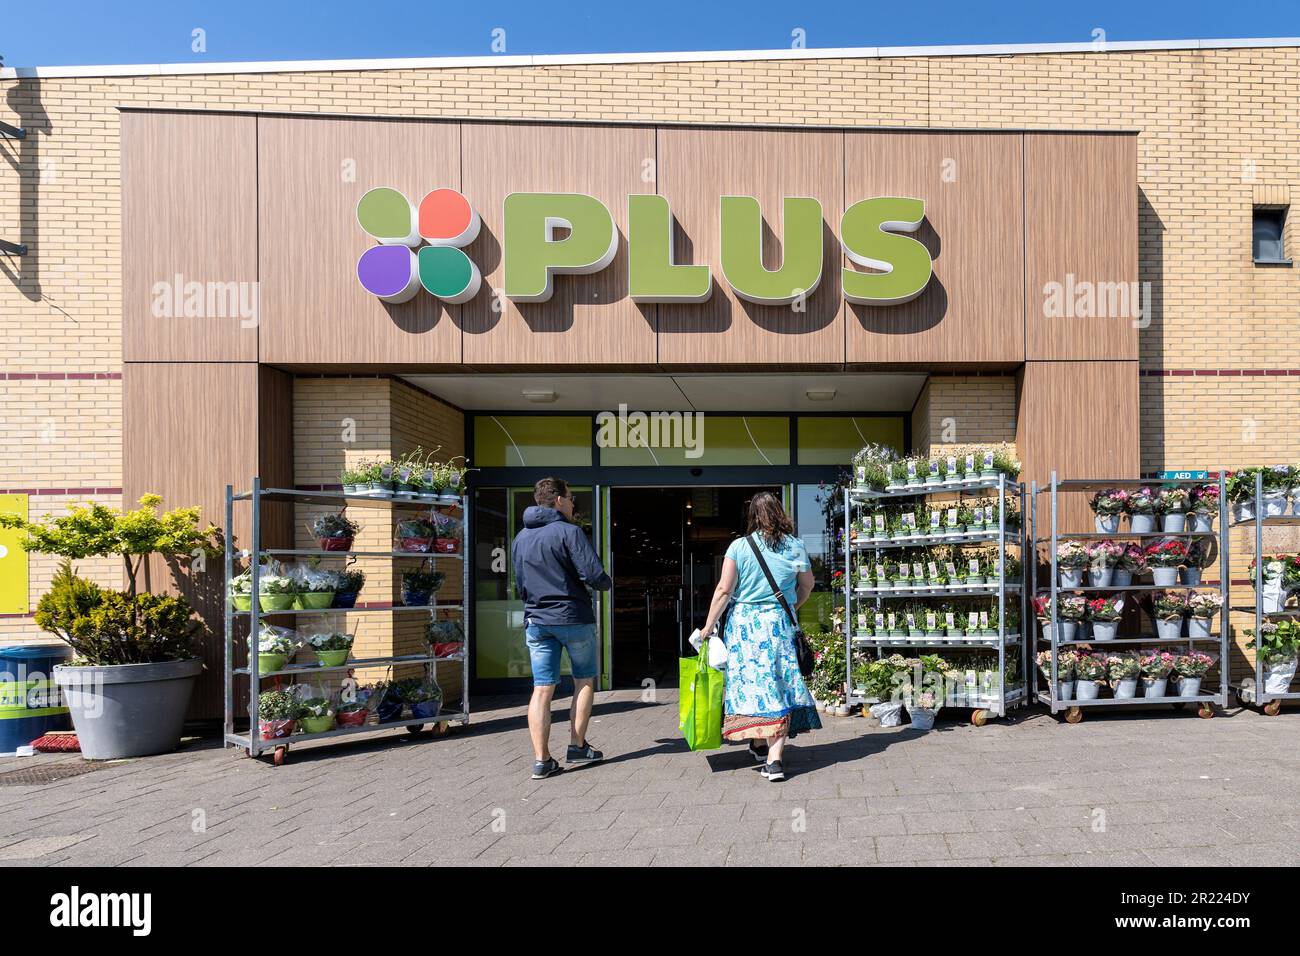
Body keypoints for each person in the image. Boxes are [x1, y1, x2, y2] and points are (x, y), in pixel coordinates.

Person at [697, 491, 820, 782]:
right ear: (780, 513)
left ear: (752, 516)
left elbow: (724, 590)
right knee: (777, 685)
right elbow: (807, 585)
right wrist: (790, 608)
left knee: (753, 687)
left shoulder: (739, 546)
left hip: (744, 628)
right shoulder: (795, 546)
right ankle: (759, 745)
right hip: (778, 625)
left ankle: (774, 761)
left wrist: (707, 626)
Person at [513, 477, 613, 780]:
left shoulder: (520, 538)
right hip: (573, 618)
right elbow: (593, 574)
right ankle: (577, 745)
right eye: (570, 498)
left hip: (537, 621)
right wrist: (605, 583)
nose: (573, 504)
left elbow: (519, 585)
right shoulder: (570, 532)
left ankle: (542, 760)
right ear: (558, 500)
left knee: (542, 688)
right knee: (583, 680)